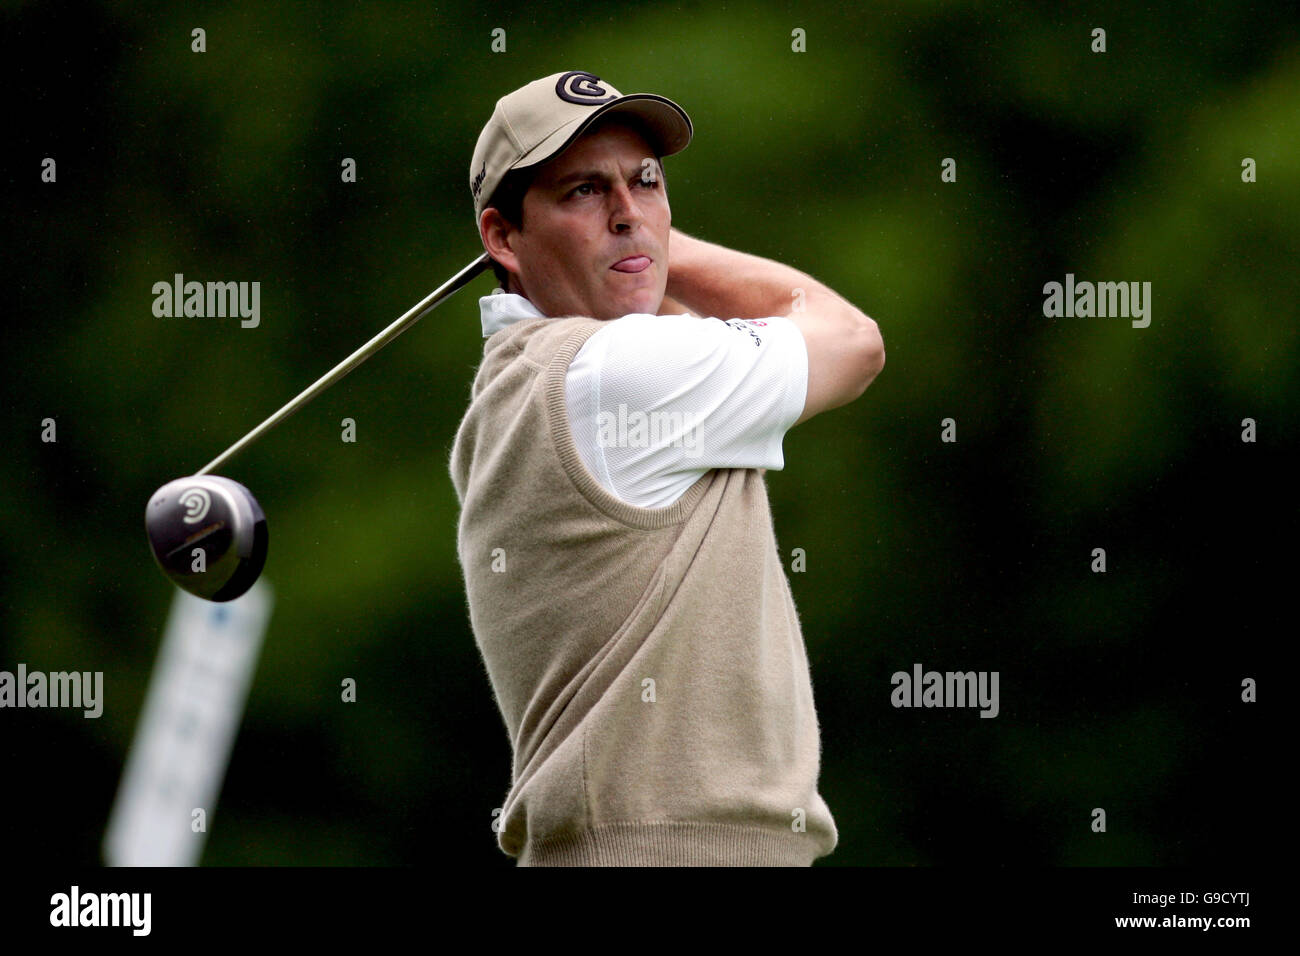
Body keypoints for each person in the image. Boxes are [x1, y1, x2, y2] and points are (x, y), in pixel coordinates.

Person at [449, 70, 884, 866]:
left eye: (646, 181)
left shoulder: (532, 376)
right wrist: (655, 242)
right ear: (502, 237)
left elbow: (674, 316)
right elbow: (853, 342)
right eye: (583, 190)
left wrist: (625, 240)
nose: (626, 210)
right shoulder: (612, 373)